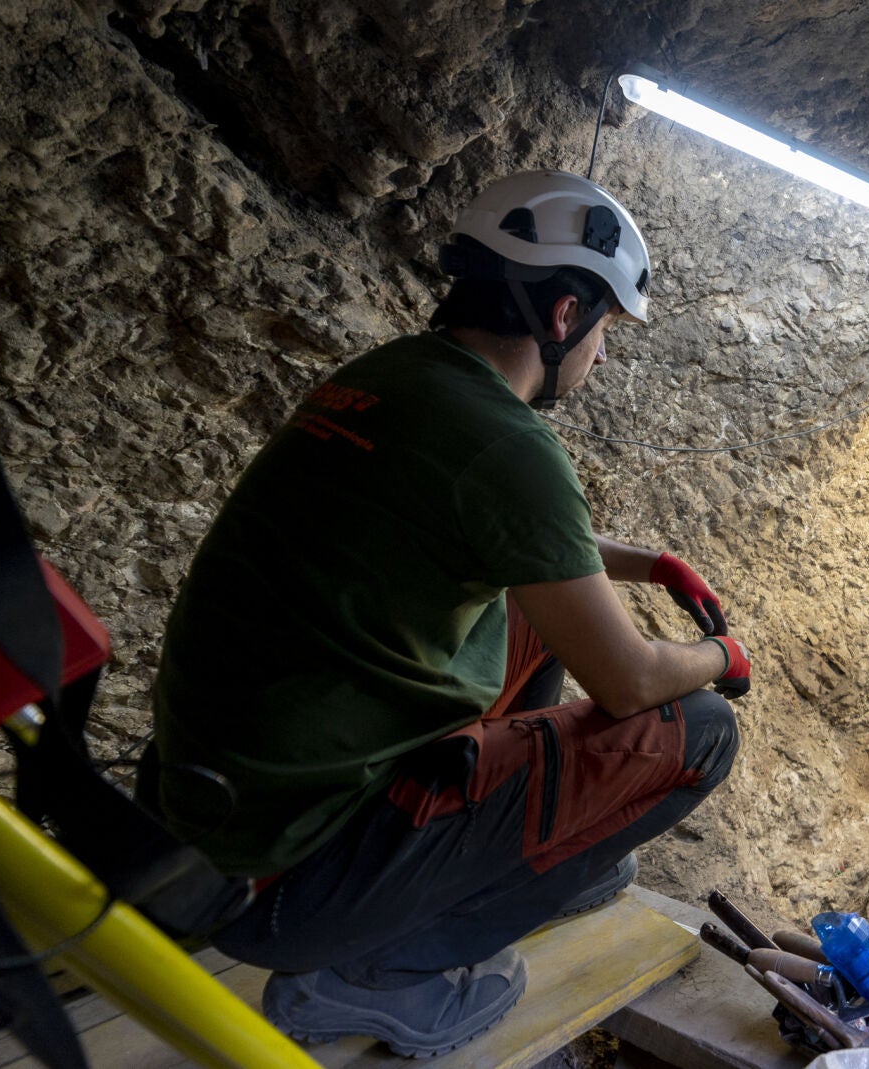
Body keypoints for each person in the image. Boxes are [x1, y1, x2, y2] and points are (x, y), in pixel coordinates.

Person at [142, 171, 751, 1057]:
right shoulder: (510, 442)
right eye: (608, 331)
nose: (604, 358)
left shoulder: (395, 378)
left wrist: (647, 562)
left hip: (205, 822)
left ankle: (505, 863)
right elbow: (629, 681)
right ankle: (371, 973)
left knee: (531, 612)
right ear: (564, 314)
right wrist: (723, 657)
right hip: (284, 890)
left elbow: (511, 531)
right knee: (697, 729)